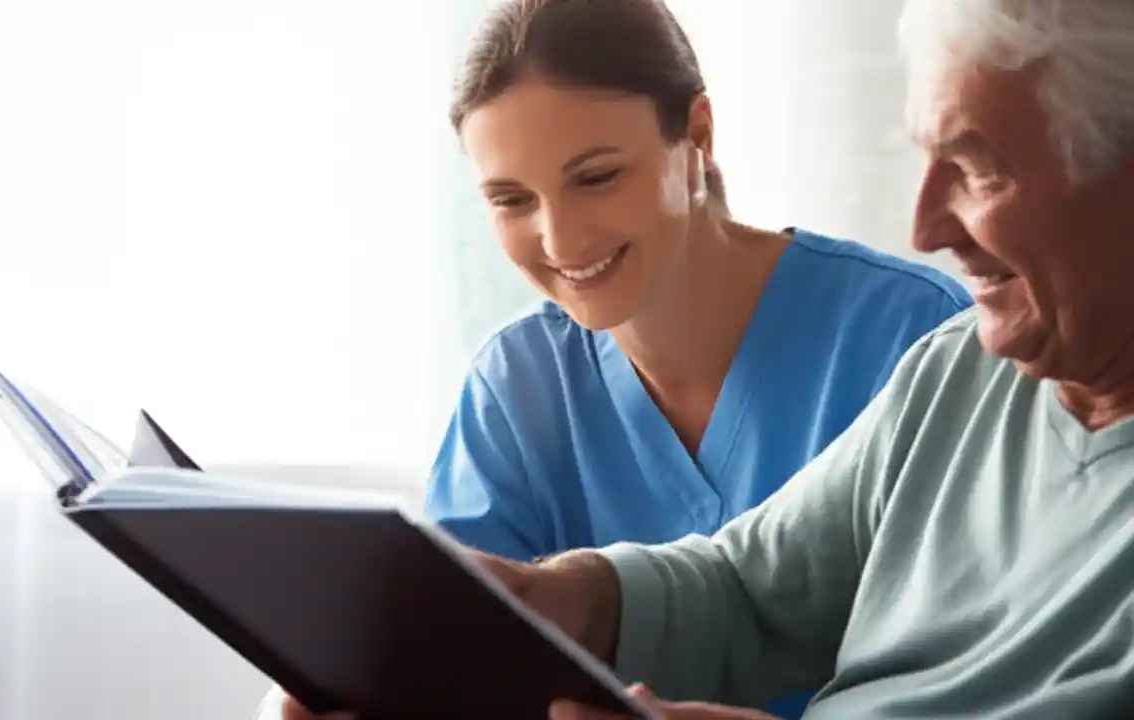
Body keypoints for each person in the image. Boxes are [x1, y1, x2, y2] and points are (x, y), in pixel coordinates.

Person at [284, 0, 1134, 717]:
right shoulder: (961, 371)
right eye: (511, 198)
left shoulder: (904, 324)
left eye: (980, 169)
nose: (926, 230)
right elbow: (749, 587)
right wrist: (570, 599)